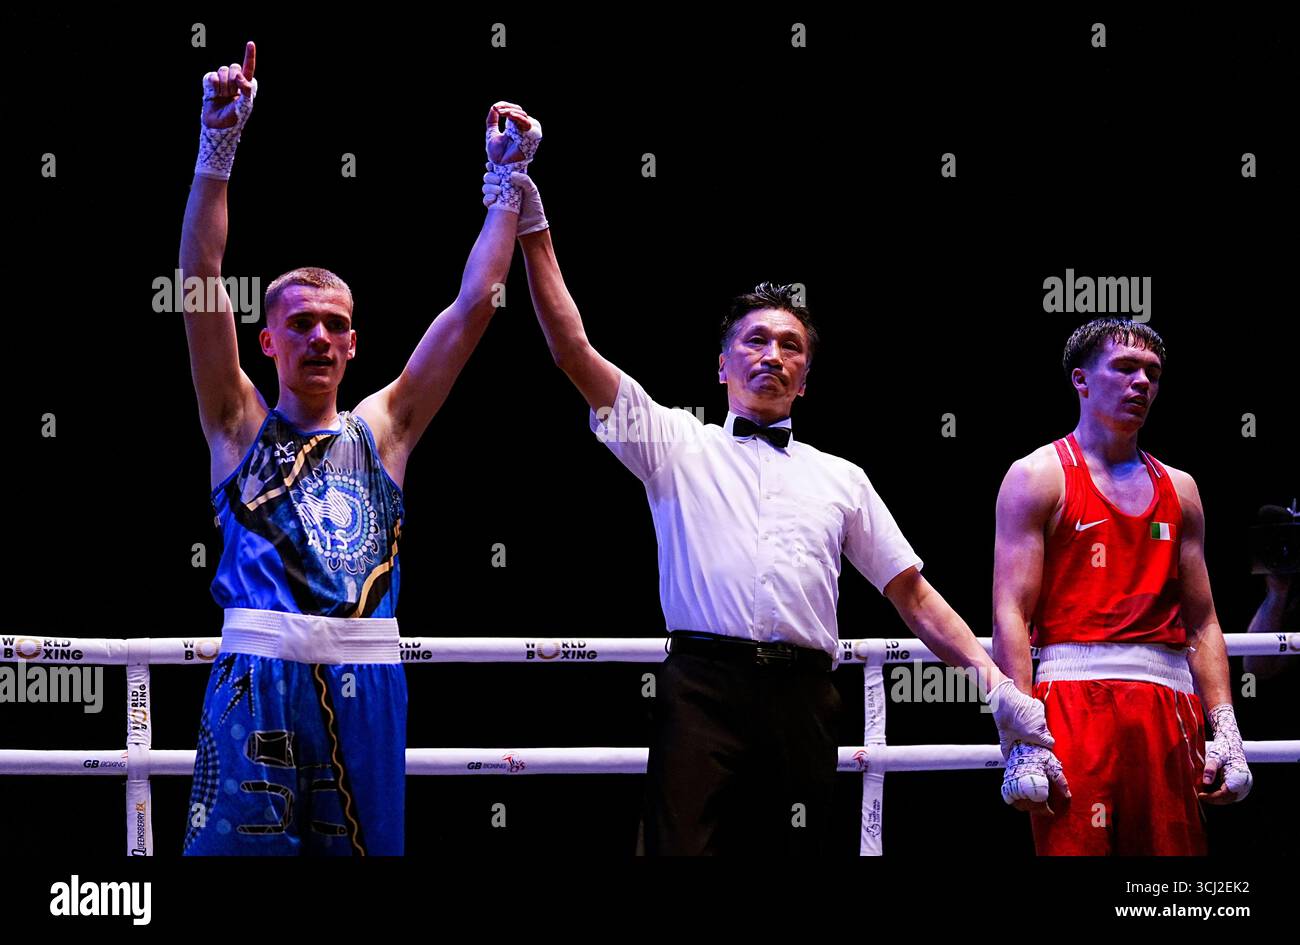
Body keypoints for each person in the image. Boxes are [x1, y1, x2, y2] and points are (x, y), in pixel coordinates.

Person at [481, 166, 1055, 855]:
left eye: (791, 347)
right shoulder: (674, 444)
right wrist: (534, 222)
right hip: (700, 688)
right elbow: (574, 351)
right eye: (755, 340)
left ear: (806, 379)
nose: (772, 355)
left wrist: (993, 681)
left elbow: (914, 593)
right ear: (721, 364)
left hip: (805, 697)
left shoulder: (841, 477)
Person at [179, 42, 538, 854]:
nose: (318, 336)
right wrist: (217, 146)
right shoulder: (236, 422)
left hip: (366, 680)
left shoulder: (385, 429)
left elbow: (475, 306)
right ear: (266, 340)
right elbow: (200, 276)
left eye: (335, 323)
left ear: (353, 344)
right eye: (300, 322)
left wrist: (505, 186)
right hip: (257, 673)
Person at [992, 317, 1253, 856]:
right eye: (1126, 368)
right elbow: (1010, 611)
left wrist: (1224, 727)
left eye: (1152, 373)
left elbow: (1202, 620)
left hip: (1169, 703)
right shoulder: (1037, 475)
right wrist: (1019, 735)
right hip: (1069, 701)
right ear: (1082, 381)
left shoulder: (1180, 489)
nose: (1142, 383)